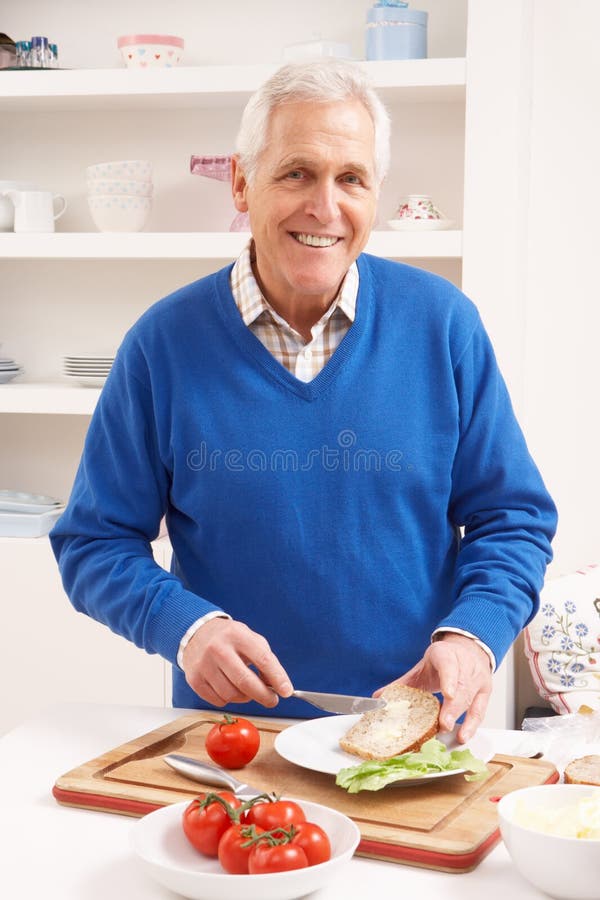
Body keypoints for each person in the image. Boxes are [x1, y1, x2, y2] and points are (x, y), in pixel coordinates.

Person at [50, 59, 557, 743]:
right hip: (232, 742)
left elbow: (513, 518)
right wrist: (187, 628)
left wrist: (473, 635)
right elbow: (94, 542)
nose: (325, 207)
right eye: (296, 173)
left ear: (375, 194)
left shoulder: (443, 326)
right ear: (241, 182)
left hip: (412, 738)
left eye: (352, 179)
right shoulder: (161, 344)